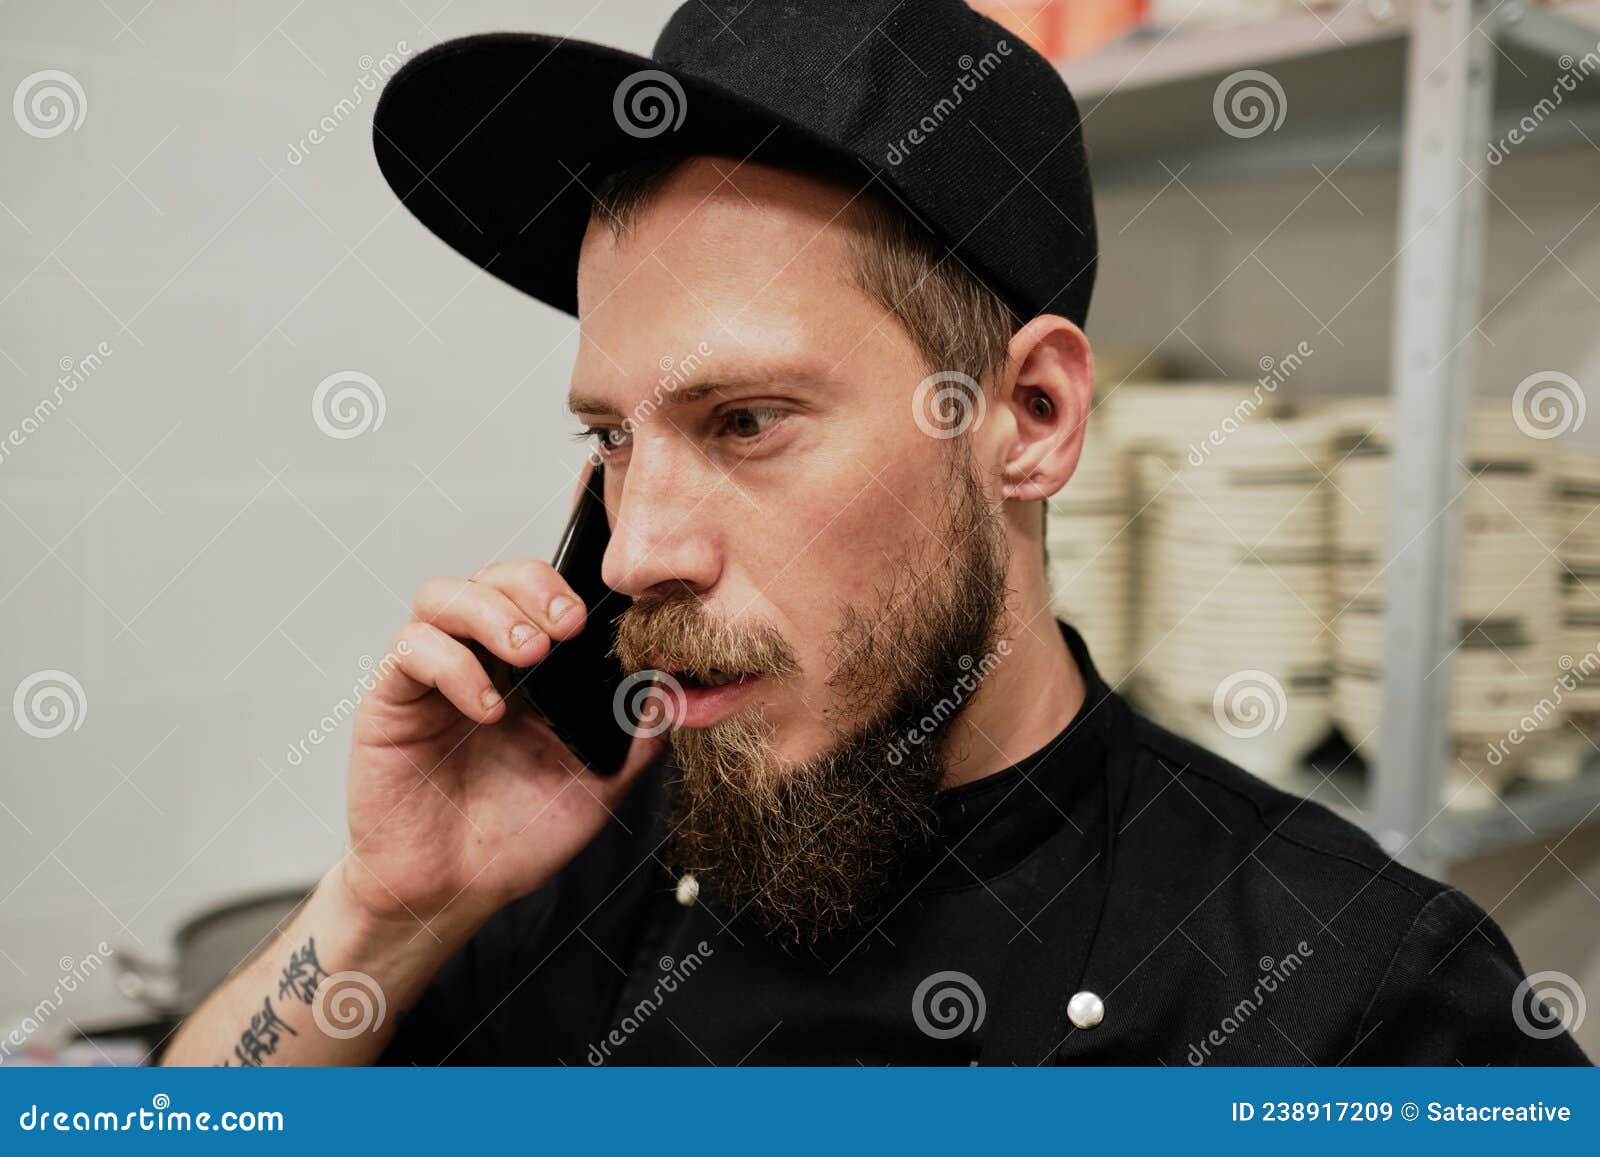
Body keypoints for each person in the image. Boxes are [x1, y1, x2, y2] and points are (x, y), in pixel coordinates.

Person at [161, 0, 1589, 1067]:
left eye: (745, 422)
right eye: (612, 438)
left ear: (1027, 413)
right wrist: (388, 909)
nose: (628, 551)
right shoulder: (562, 855)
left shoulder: (1351, 994)